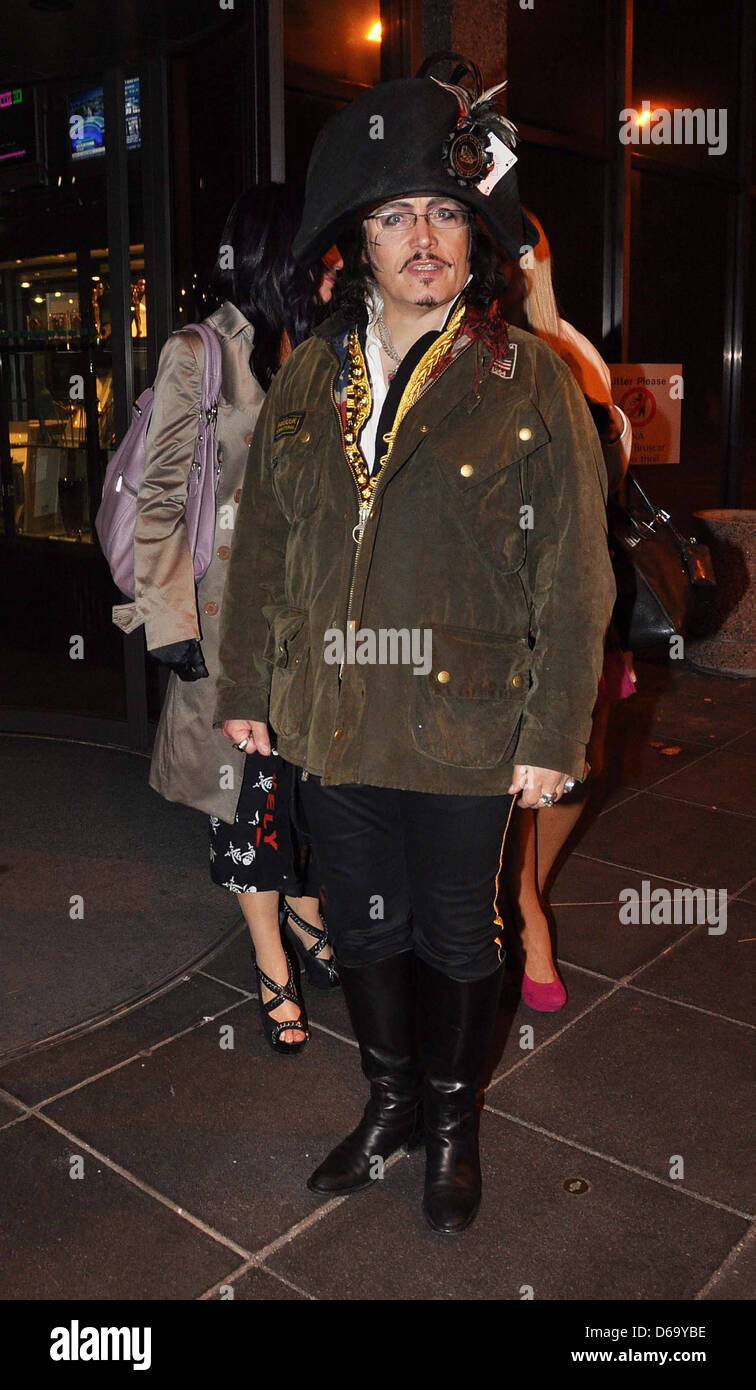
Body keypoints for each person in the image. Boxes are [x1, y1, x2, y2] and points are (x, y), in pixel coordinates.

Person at [214, 71, 616, 1232]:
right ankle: (388, 1103)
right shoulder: (305, 378)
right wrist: (247, 680)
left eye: (443, 212)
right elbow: (265, 547)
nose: (422, 238)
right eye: (392, 217)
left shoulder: (525, 375)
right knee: (365, 928)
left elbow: (577, 572)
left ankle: (452, 1124)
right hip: (332, 716)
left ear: (474, 236)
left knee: (456, 934)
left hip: (466, 725)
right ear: (354, 246)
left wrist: (553, 733)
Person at [115, 184, 343, 1056]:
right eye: (317, 263)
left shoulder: (312, 352)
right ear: (275, 262)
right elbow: (160, 500)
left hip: (304, 620)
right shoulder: (200, 355)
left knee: (298, 785)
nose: (330, 278)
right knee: (243, 800)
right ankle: (271, 960)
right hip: (222, 621)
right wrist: (172, 627)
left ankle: (306, 904)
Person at [498, 212, 635, 1010]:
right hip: (481, 606)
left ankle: (525, 897)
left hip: (568, 589)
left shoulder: (567, 352)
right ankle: (522, 911)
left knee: (573, 771)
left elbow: (606, 487)